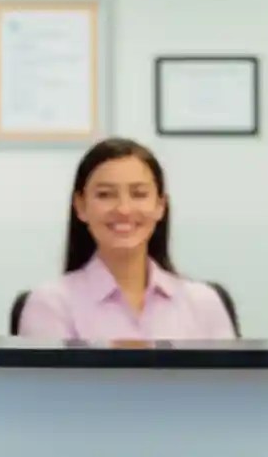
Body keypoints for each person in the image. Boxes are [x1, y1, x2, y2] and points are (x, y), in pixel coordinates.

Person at [18, 137, 238, 341]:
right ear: (81, 206)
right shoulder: (51, 305)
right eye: (105, 194)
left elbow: (227, 373)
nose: (124, 209)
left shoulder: (204, 303)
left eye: (139, 194)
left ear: (160, 205)